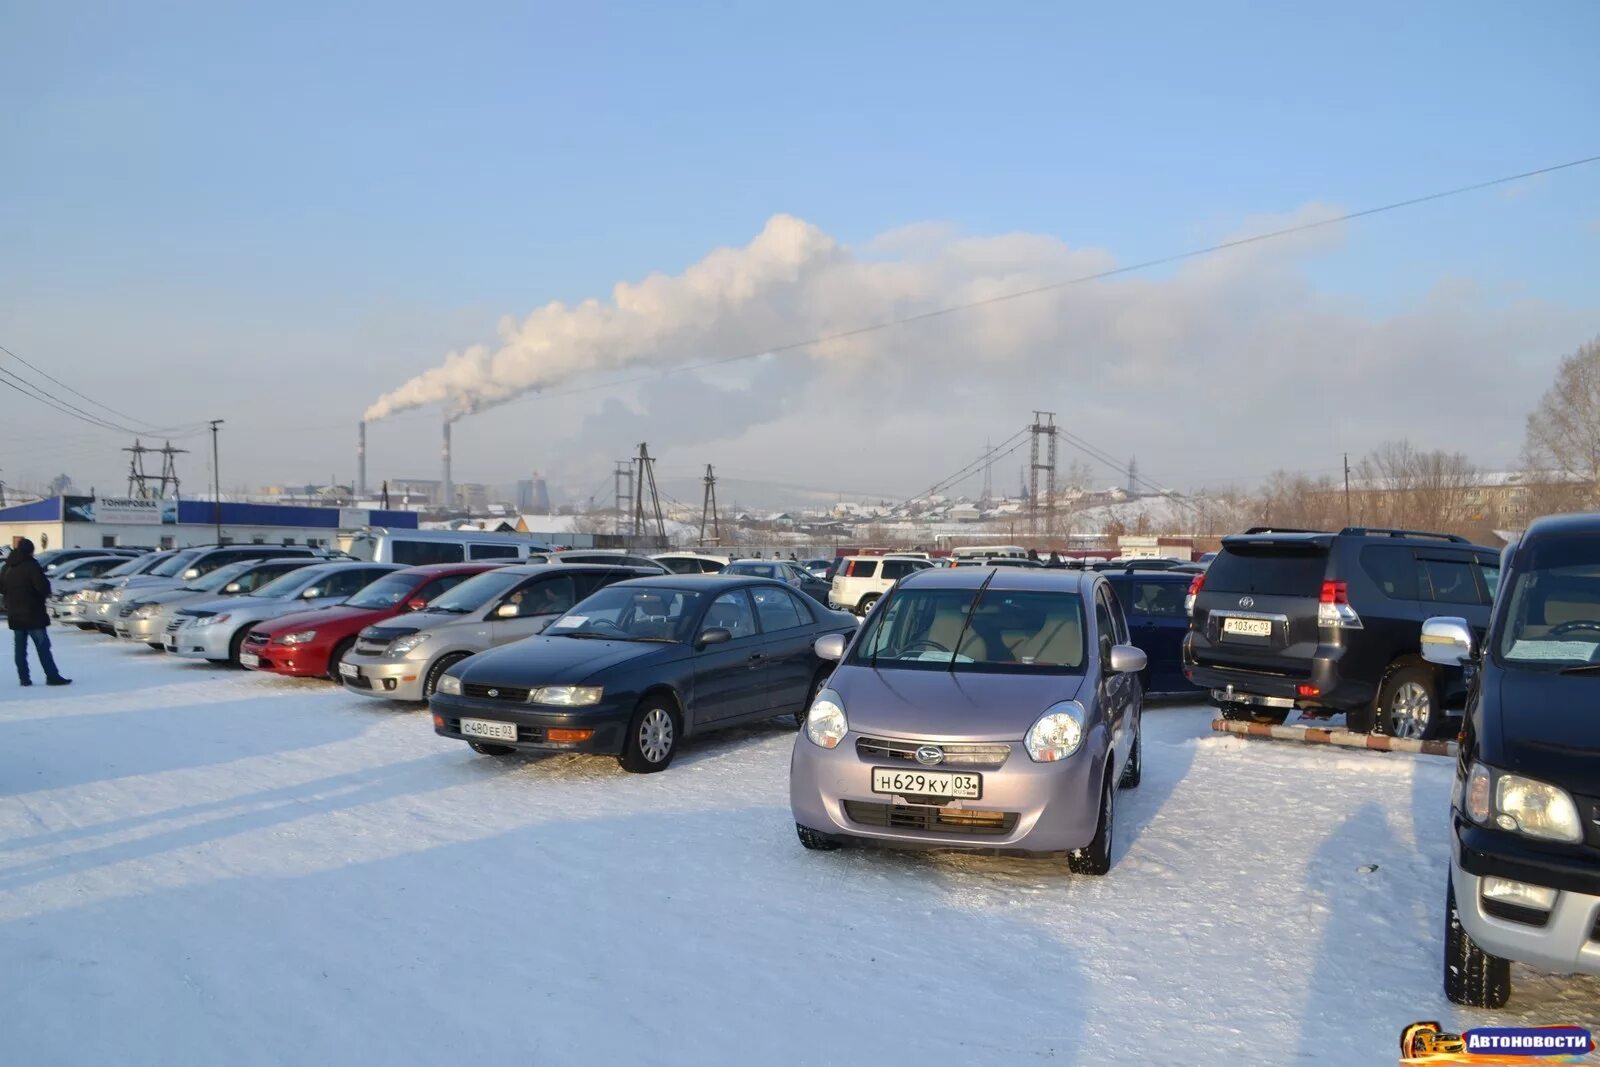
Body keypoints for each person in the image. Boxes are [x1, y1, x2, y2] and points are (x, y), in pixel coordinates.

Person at [1, 538, 70, 687]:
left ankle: (24, 678)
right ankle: (52, 676)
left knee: (20, 649)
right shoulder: (32, 566)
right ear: (30, 551)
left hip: (15, 614)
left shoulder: (7, 567)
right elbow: (43, 587)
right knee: (43, 647)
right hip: (33, 614)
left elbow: (2, 588)